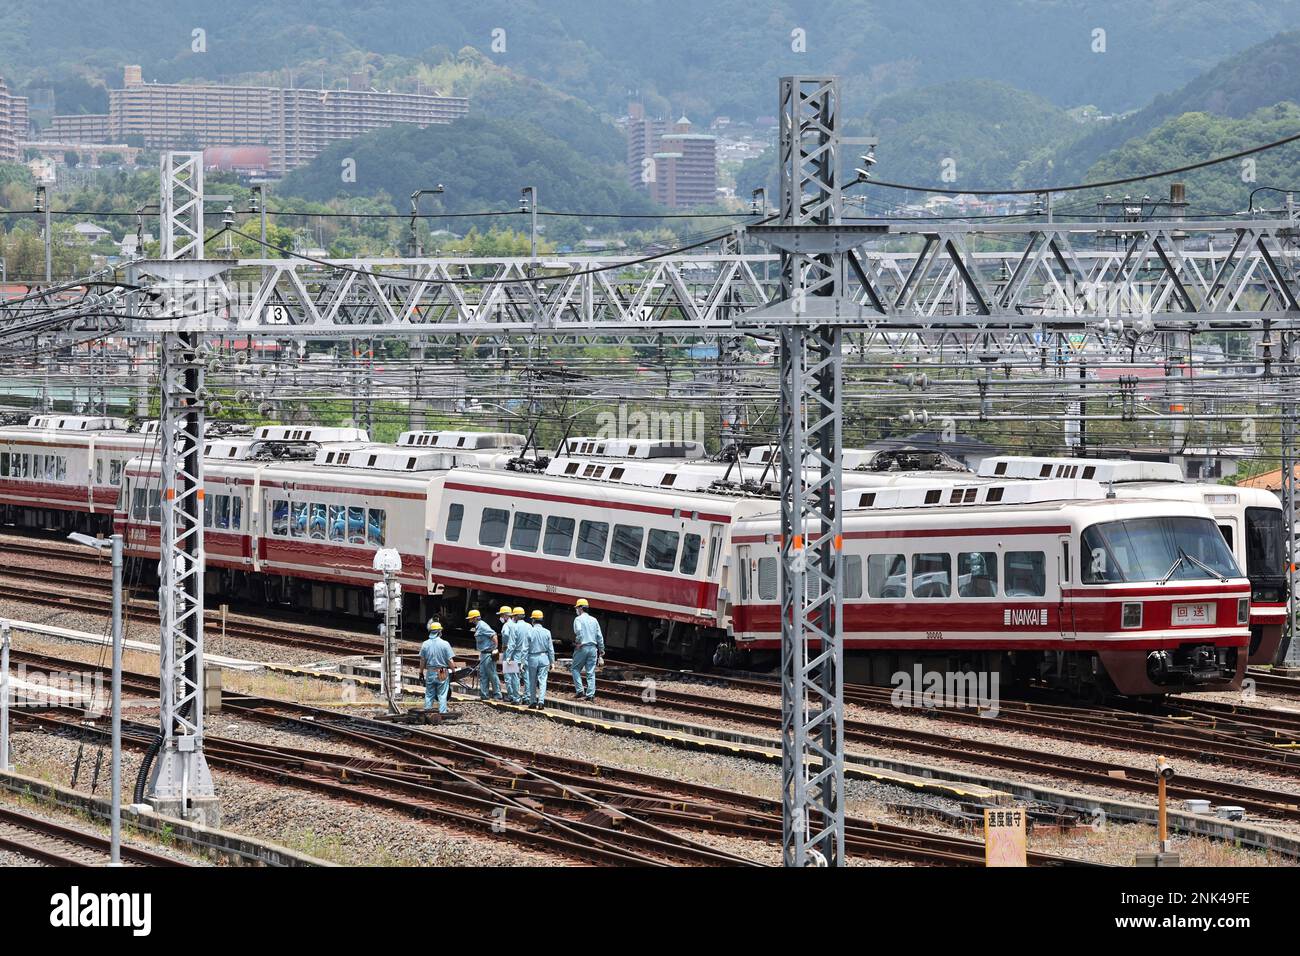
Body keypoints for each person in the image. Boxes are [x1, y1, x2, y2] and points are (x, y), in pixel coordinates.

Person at [570, 598, 605, 700]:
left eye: (577, 608)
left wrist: (578, 642)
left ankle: (580, 690)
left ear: (581, 608)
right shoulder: (594, 620)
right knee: (590, 672)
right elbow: (599, 635)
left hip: (583, 647)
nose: (576, 609)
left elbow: (579, 632)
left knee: (575, 669)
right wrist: (601, 648)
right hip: (593, 649)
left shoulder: (578, 619)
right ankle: (590, 695)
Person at [418, 621, 456, 714]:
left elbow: (422, 660)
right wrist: (454, 670)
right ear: (439, 632)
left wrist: (421, 672)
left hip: (430, 671)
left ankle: (427, 712)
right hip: (442, 670)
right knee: (442, 694)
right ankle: (442, 713)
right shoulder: (445, 644)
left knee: (429, 694)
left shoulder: (425, 644)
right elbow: (449, 660)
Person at [469, 607, 504, 701]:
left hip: (488, 654)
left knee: (492, 674)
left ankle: (498, 695)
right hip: (483, 653)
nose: (470, 620)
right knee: (483, 674)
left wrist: (495, 649)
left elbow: (494, 635)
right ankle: (484, 695)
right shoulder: (478, 626)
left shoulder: (483, 626)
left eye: (471, 618)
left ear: (475, 618)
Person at [525, 609, 556, 709]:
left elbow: (525, 648)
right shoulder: (547, 632)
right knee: (543, 680)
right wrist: (552, 662)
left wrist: (522, 661)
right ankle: (541, 702)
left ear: (533, 620)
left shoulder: (529, 631)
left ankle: (533, 701)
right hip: (544, 657)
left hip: (532, 657)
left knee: (532, 680)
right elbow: (551, 649)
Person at [502, 606, 529, 704]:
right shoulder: (529, 626)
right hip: (526, 654)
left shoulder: (514, 627)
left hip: (516, 654)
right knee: (526, 676)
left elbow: (512, 644)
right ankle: (527, 698)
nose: (513, 618)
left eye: (514, 616)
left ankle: (516, 698)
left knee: (515, 676)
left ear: (517, 616)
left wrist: (508, 656)